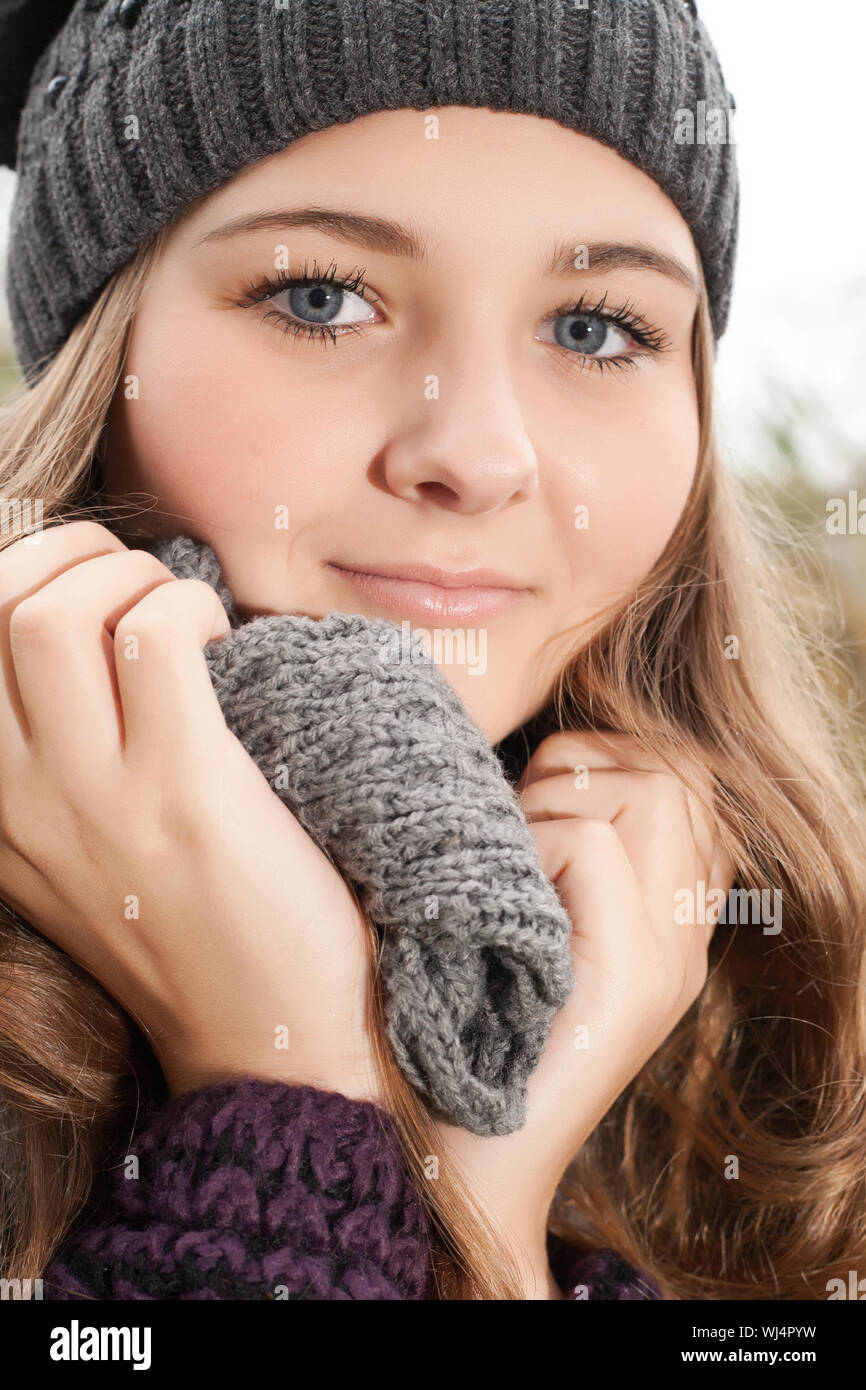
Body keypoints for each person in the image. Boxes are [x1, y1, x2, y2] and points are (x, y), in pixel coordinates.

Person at [0, 0, 863, 1301]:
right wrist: (284, 1092)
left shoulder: (795, 1029)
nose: (477, 452)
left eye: (593, 327)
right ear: (96, 360)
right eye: (318, 295)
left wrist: (481, 1196)